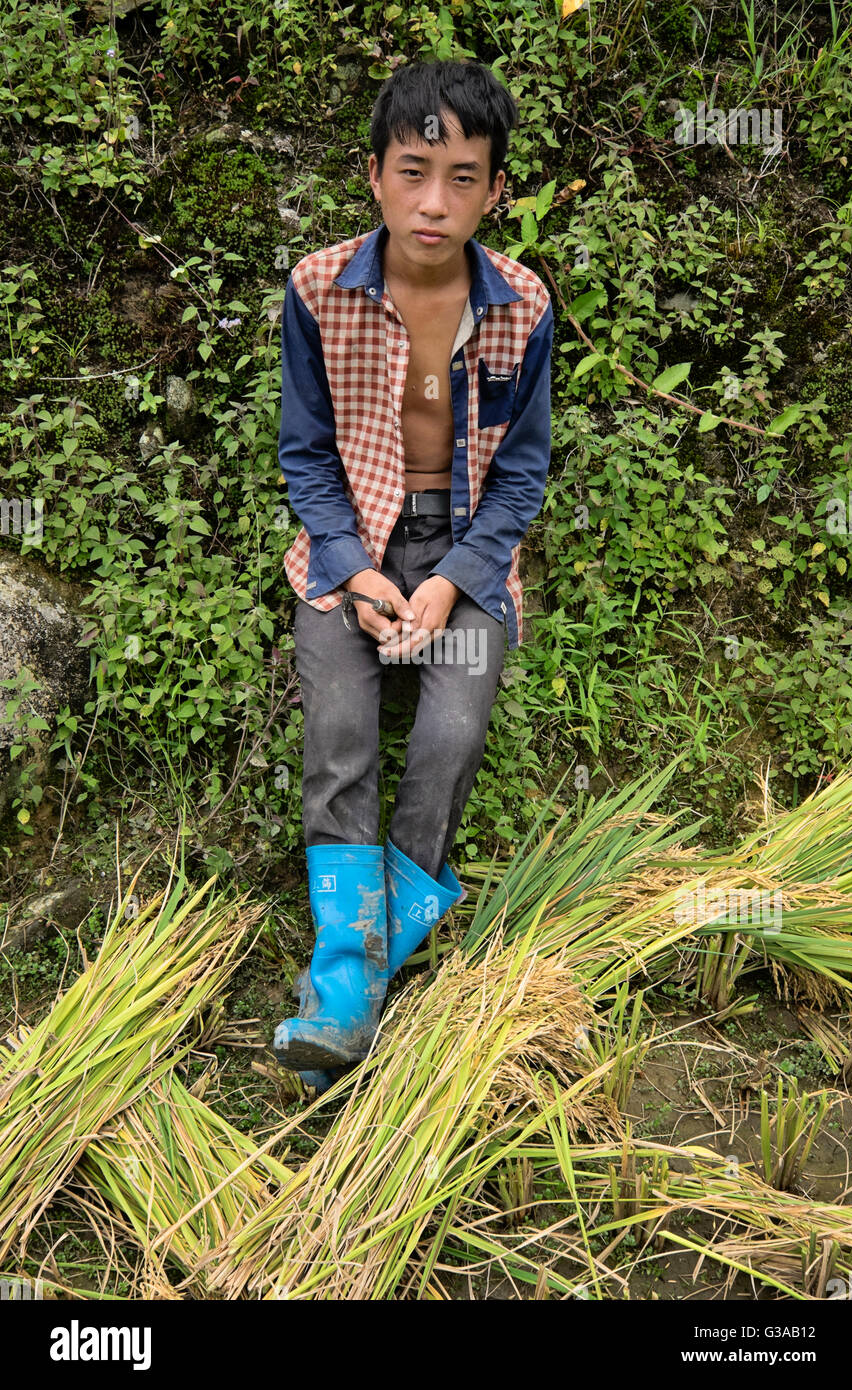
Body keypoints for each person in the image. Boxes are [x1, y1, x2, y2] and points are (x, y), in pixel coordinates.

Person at [273, 58, 554, 1092]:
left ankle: (363, 972)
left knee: (449, 730)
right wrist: (349, 570)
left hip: (465, 552)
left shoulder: (521, 303)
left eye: (463, 177)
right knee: (339, 728)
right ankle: (342, 972)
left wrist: (454, 580)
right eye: (413, 170)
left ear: (494, 189)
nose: (434, 202)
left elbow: (521, 475)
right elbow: (304, 454)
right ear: (375, 176)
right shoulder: (317, 288)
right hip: (349, 543)